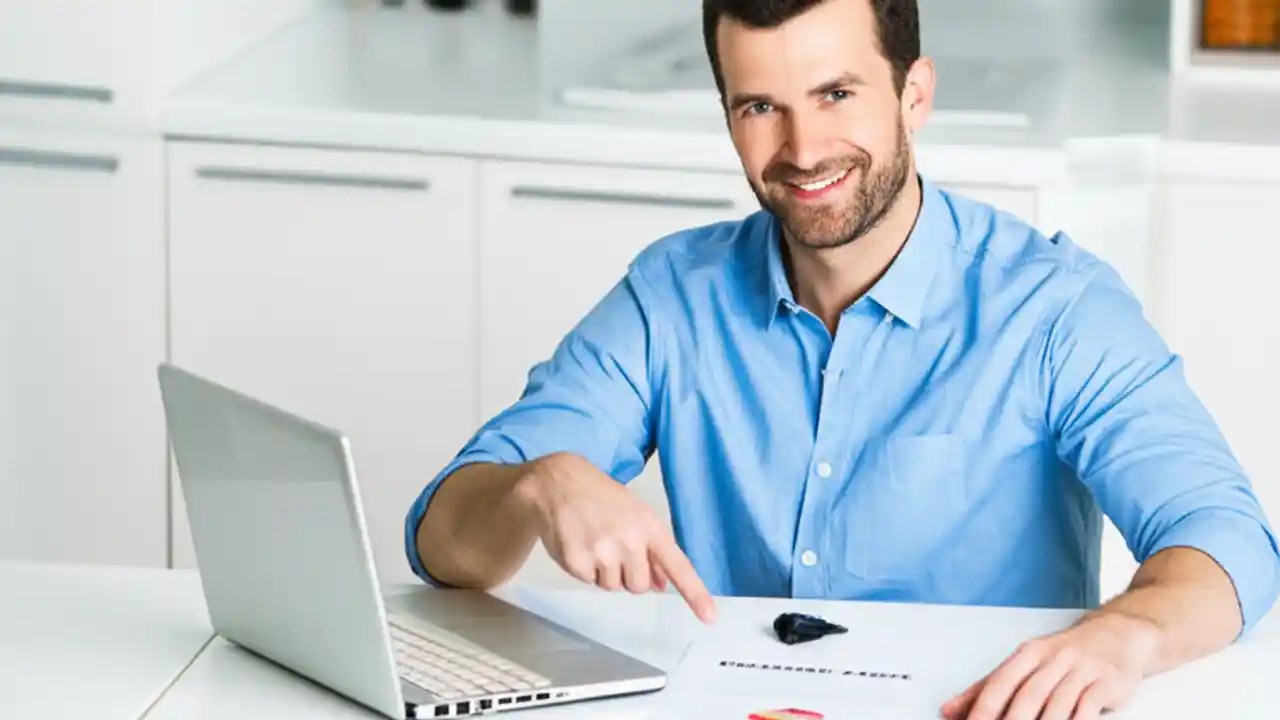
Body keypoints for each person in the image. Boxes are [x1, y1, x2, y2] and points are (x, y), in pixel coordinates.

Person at [405, 0, 1280, 718]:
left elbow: (1228, 541)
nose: (803, 149)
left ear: (914, 94)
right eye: (760, 107)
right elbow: (446, 548)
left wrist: (1124, 636)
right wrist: (539, 481)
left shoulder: (1056, 310)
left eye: (835, 94)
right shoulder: (671, 296)